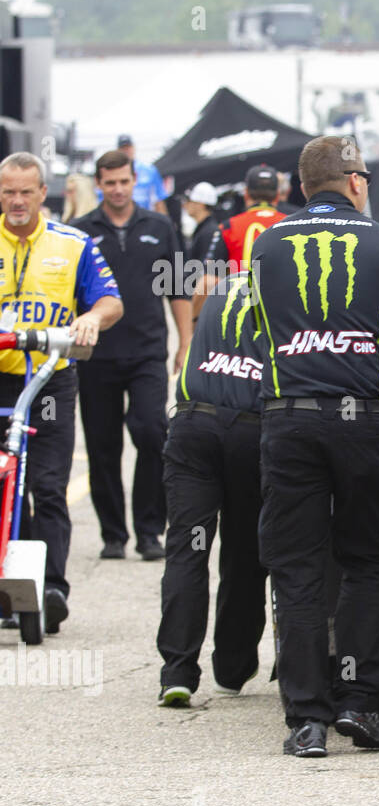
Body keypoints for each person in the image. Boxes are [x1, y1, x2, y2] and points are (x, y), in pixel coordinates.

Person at [252, 135, 379, 757]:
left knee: (297, 570)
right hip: (361, 419)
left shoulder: (267, 243)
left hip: (289, 419)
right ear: (354, 181)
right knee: (364, 562)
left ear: (303, 187)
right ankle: (359, 703)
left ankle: (306, 720)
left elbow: (259, 332)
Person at [0, 153, 124, 631]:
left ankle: (50, 588)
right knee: (7, 487)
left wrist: (91, 318)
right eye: (8, 191)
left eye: (25, 192)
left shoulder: (73, 243)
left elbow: (111, 300)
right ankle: (13, 583)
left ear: (41, 192)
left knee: (47, 486)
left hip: (48, 376)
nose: (16, 201)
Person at [72, 150, 191, 562]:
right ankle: (113, 534)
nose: (118, 189)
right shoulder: (80, 231)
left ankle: (148, 530)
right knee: (102, 446)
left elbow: (179, 287)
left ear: (134, 181)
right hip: (95, 355)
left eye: (124, 181)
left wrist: (186, 343)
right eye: (110, 183)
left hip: (147, 353)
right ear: (99, 184)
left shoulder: (159, 226)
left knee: (151, 432)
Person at [156, 270, 267, 707]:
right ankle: (232, 668)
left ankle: (177, 671)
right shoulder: (293, 292)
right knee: (243, 552)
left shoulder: (214, 284)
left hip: (192, 422)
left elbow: (199, 322)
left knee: (186, 548)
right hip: (251, 428)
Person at [199, 165, 286, 318]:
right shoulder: (291, 224)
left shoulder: (228, 227)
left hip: (239, 316)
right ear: (277, 195)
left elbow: (208, 282)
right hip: (282, 315)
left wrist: (194, 322)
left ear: (246, 194)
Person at [113, 135, 168, 214]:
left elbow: (159, 200)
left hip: (146, 218)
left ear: (133, 148)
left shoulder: (149, 170)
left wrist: (164, 222)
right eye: (123, 148)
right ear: (118, 150)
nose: (126, 151)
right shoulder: (113, 172)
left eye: (128, 147)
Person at [183, 182, 220, 265]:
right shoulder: (203, 229)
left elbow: (204, 267)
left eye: (189, 201)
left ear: (201, 204)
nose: (185, 205)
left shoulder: (209, 232)